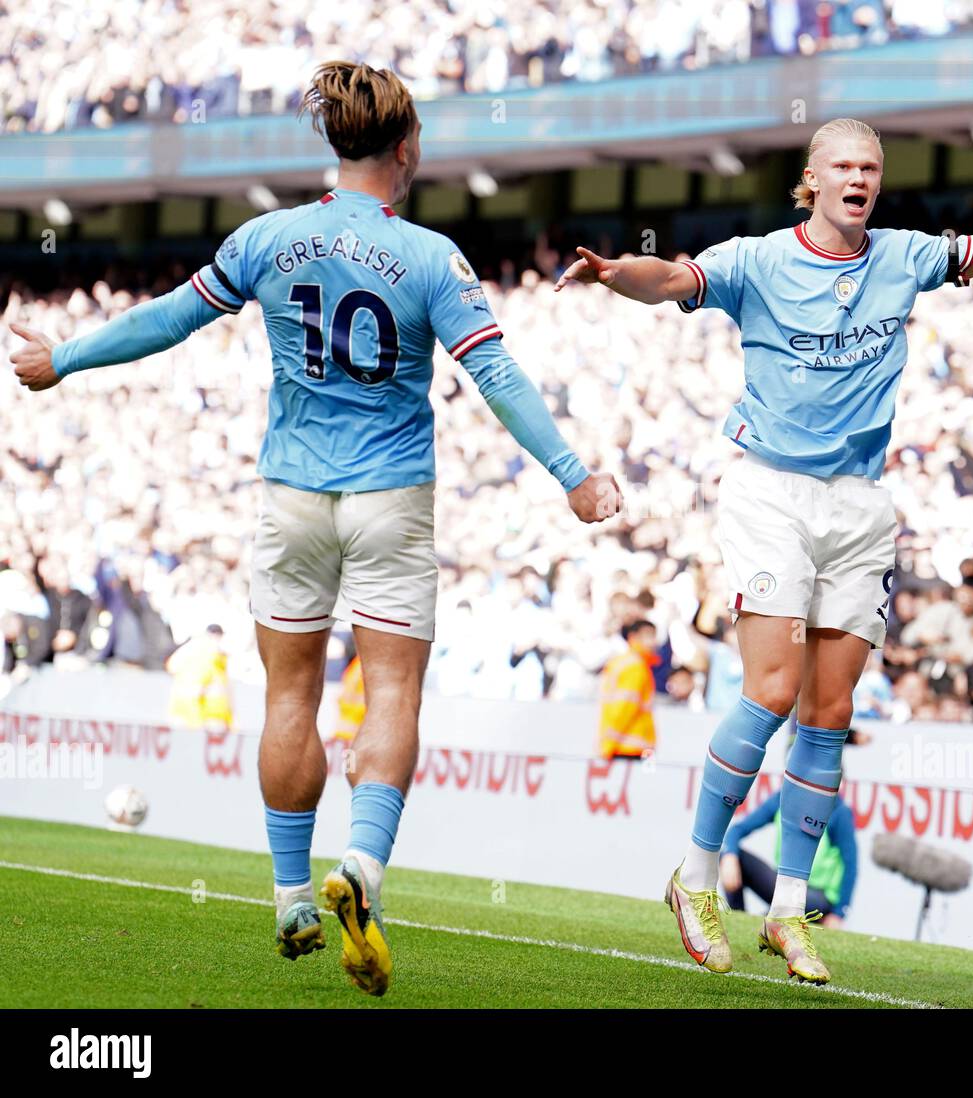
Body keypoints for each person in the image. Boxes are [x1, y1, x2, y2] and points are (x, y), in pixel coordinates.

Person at [10, 61, 620, 996]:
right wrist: (574, 477)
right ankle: (362, 871)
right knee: (390, 699)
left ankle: (293, 893)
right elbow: (494, 376)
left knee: (290, 696)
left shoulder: (268, 238)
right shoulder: (430, 257)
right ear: (407, 148)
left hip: (291, 499)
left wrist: (65, 356)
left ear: (333, 145)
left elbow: (173, 320)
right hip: (390, 502)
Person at [557, 116, 973, 983]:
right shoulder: (757, 260)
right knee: (773, 691)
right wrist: (612, 274)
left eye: (872, 166)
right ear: (812, 180)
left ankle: (789, 912)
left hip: (860, 503)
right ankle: (697, 874)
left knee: (828, 712)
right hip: (770, 491)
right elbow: (670, 274)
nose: (860, 177)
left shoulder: (903, 256)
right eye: (844, 166)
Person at [720, 787, 858, 929]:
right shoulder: (784, 797)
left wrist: (839, 913)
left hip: (817, 896)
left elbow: (850, 865)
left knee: (769, 920)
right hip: (784, 882)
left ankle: (765, 922)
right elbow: (737, 830)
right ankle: (739, 922)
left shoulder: (839, 812)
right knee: (731, 856)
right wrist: (729, 854)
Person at [596, 620, 659, 759]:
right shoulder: (636, 667)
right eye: (648, 635)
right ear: (633, 637)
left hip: (623, 746)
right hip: (629, 748)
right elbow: (624, 708)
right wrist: (608, 745)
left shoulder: (623, 662)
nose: (654, 641)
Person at [165, 624, 233, 733]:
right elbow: (198, 690)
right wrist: (198, 724)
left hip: (183, 713)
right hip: (205, 718)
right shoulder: (210, 653)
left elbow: (171, 666)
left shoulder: (190, 649)